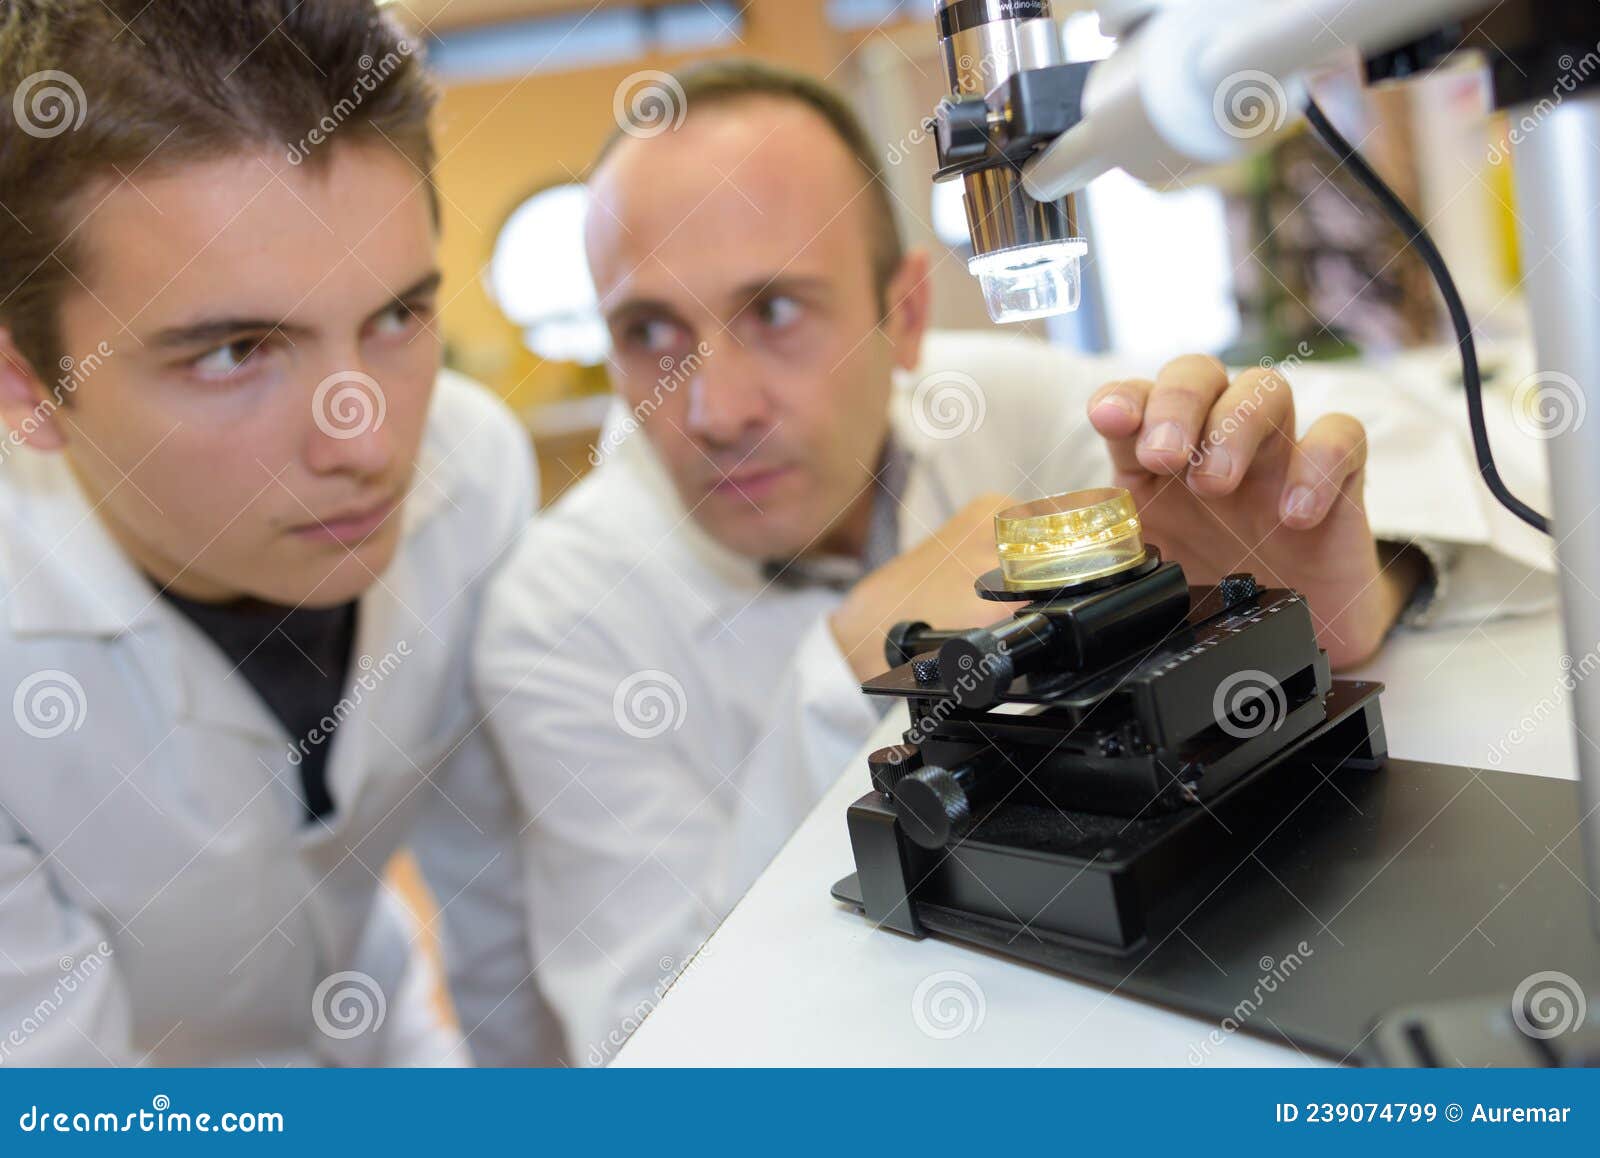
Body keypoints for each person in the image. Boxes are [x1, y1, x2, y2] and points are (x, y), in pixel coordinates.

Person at [475, 59, 1554, 1065]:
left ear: (903, 315)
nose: (714, 407)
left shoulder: (990, 401)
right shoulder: (561, 614)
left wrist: (1368, 573)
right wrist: (833, 685)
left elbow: (1441, 437)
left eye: (778, 311)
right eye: (649, 332)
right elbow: (648, 1033)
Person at [0, 0, 554, 1065]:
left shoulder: (471, 472)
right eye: (237, 352)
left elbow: (509, 901)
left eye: (396, 317)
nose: (370, 440)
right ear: (29, 388)